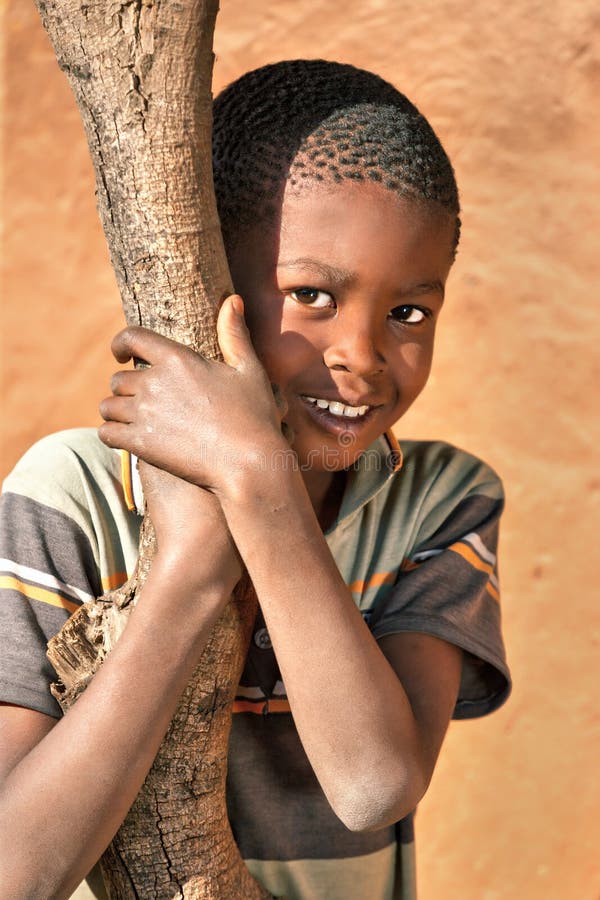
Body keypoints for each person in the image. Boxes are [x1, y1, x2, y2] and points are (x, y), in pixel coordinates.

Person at [0, 60, 511, 900]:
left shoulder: (440, 502)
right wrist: (190, 571)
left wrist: (257, 485)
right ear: (216, 289)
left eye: (409, 312)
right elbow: (18, 875)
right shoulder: (71, 498)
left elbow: (374, 786)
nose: (362, 355)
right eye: (311, 295)